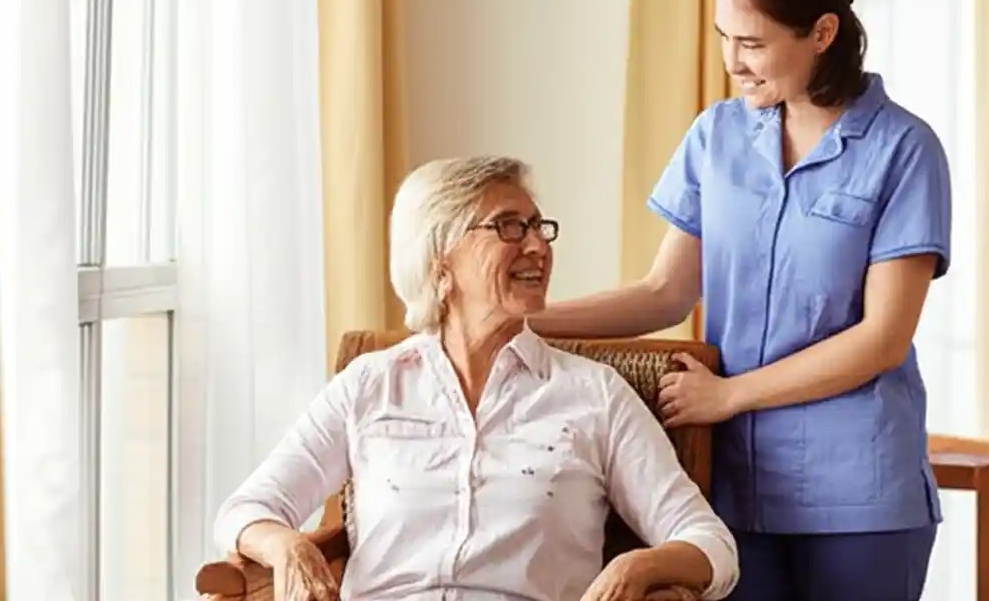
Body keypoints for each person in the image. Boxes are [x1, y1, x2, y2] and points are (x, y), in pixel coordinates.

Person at [533, 0, 950, 600]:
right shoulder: (717, 136)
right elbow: (665, 292)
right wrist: (527, 323)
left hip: (859, 498)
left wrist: (727, 396)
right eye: (724, 37)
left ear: (821, 32)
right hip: (731, 491)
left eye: (752, 43)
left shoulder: (904, 150)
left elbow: (882, 339)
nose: (733, 61)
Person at [213, 156, 740, 601]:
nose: (537, 246)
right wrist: (289, 546)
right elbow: (246, 510)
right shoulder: (370, 384)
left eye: (539, 227)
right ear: (441, 262)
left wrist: (639, 566)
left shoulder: (594, 395)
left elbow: (709, 544)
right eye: (510, 227)